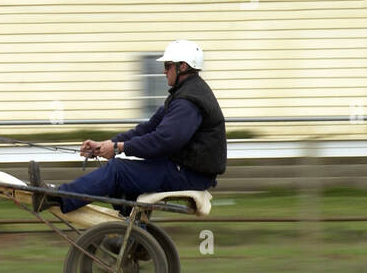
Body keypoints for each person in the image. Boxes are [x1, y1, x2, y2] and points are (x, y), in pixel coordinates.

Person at [29, 40, 227, 214]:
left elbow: (163, 141)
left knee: (118, 171)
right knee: (120, 176)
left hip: (189, 175)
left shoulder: (187, 101)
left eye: (168, 66)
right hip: (183, 169)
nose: (164, 71)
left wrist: (118, 149)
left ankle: (58, 198)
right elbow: (148, 129)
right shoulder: (183, 94)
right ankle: (133, 231)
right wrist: (108, 144)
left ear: (182, 66)